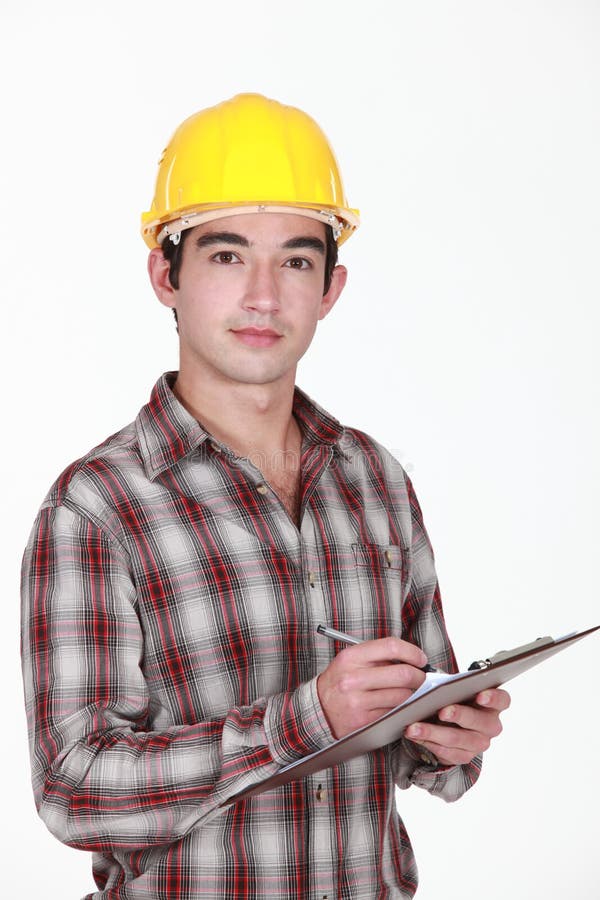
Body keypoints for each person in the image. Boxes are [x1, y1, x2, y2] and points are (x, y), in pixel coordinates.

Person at [21, 93, 510, 899]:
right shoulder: (96, 507)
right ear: (164, 276)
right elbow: (74, 790)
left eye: (294, 260)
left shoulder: (376, 482)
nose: (262, 295)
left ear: (330, 288)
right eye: (224, 255)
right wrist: (307, 716)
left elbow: (421, 739)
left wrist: (446, 739)